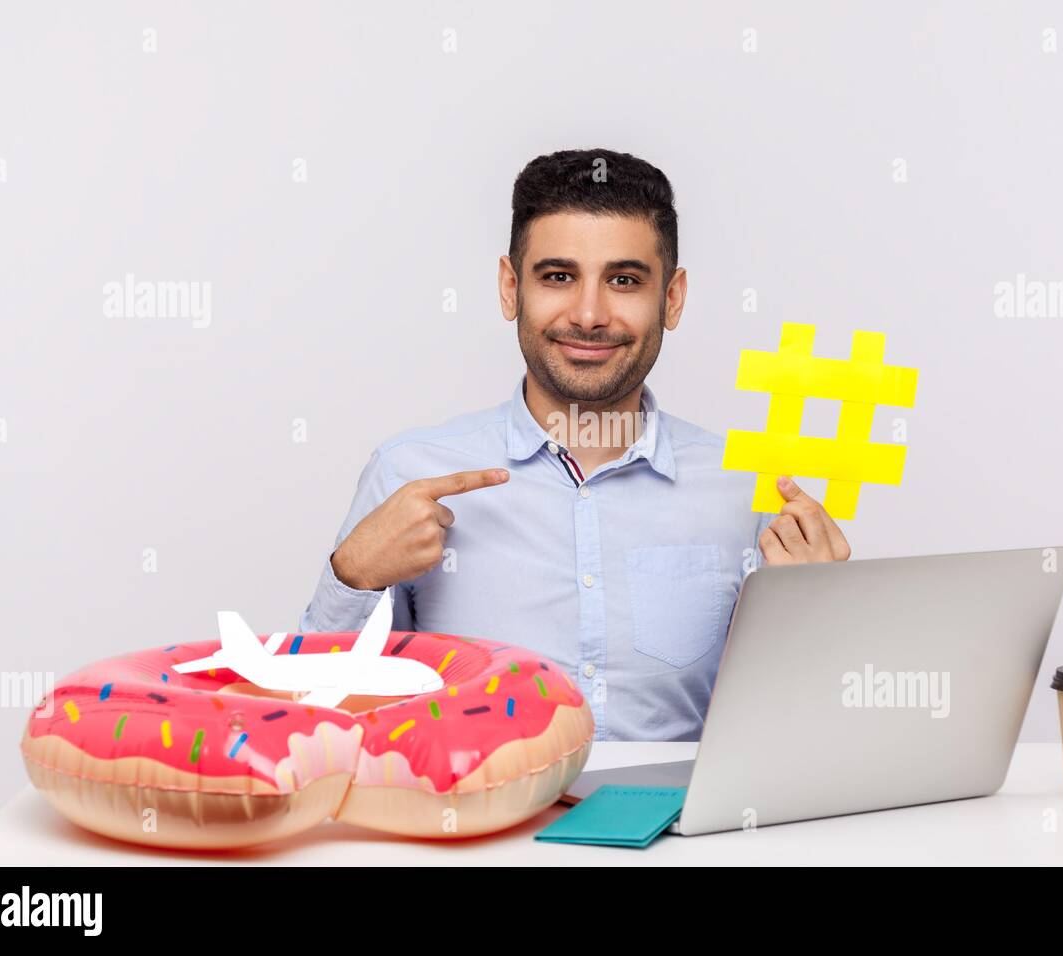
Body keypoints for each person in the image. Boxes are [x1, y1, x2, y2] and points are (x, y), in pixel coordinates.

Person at [300, 148, 849, 740]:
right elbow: (318, 725)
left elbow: (797, 741)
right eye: (558, 277)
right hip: (484, 803)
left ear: (671, 298)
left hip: (682, 806)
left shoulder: (749, 487)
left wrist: (819, 620)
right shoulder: (409, 472)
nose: (589, 315)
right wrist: (351, 578)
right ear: (511, 288)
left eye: (624, 280)